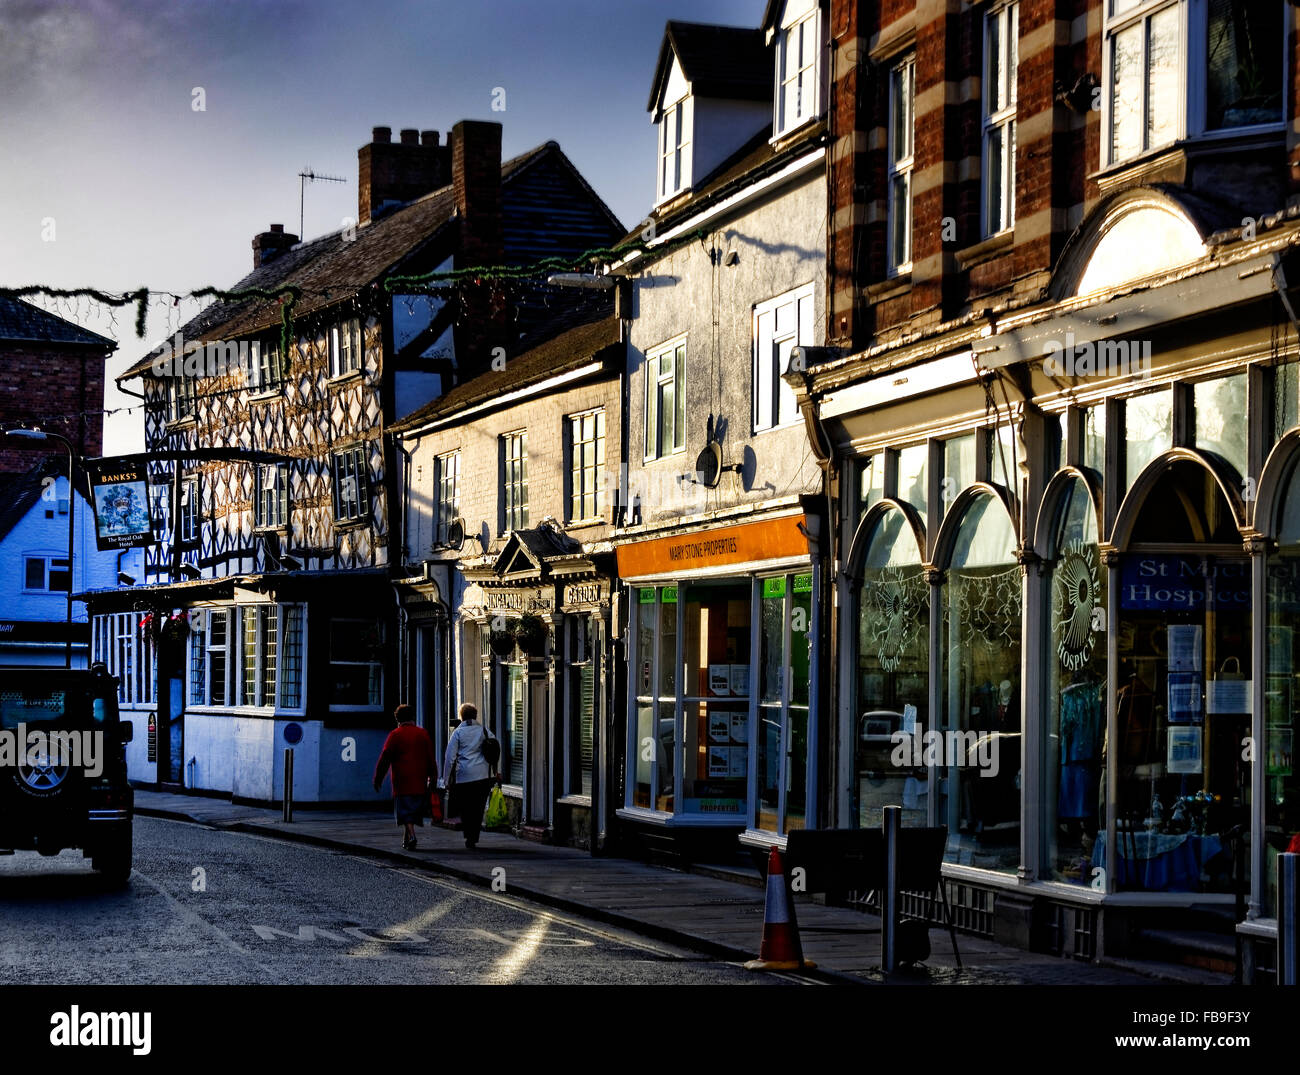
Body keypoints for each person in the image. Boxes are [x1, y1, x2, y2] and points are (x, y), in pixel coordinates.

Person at [373, 704, 438, 850]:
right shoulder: (423, 734)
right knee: (413, 809)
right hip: (419, 778)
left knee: (404, 810)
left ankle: (412, 836)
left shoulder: (395, 734)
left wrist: (378, 778)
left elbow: (385, 757)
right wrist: (434, 776)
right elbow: (430, 758)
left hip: (402, 779)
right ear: (412, 717)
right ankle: (407, 838)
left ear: (398, 718)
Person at [441, 702, 496, 849]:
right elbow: (495, 749)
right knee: (478, 808)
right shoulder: (484, 731)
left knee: (465, 808)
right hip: (483, 776)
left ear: (462, 717)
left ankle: (468, 835)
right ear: (475, 715)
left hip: (464, 777)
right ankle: (474, 836)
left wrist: (446, 780)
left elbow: (449, 757)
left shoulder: (458, 733)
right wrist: (497, 772)